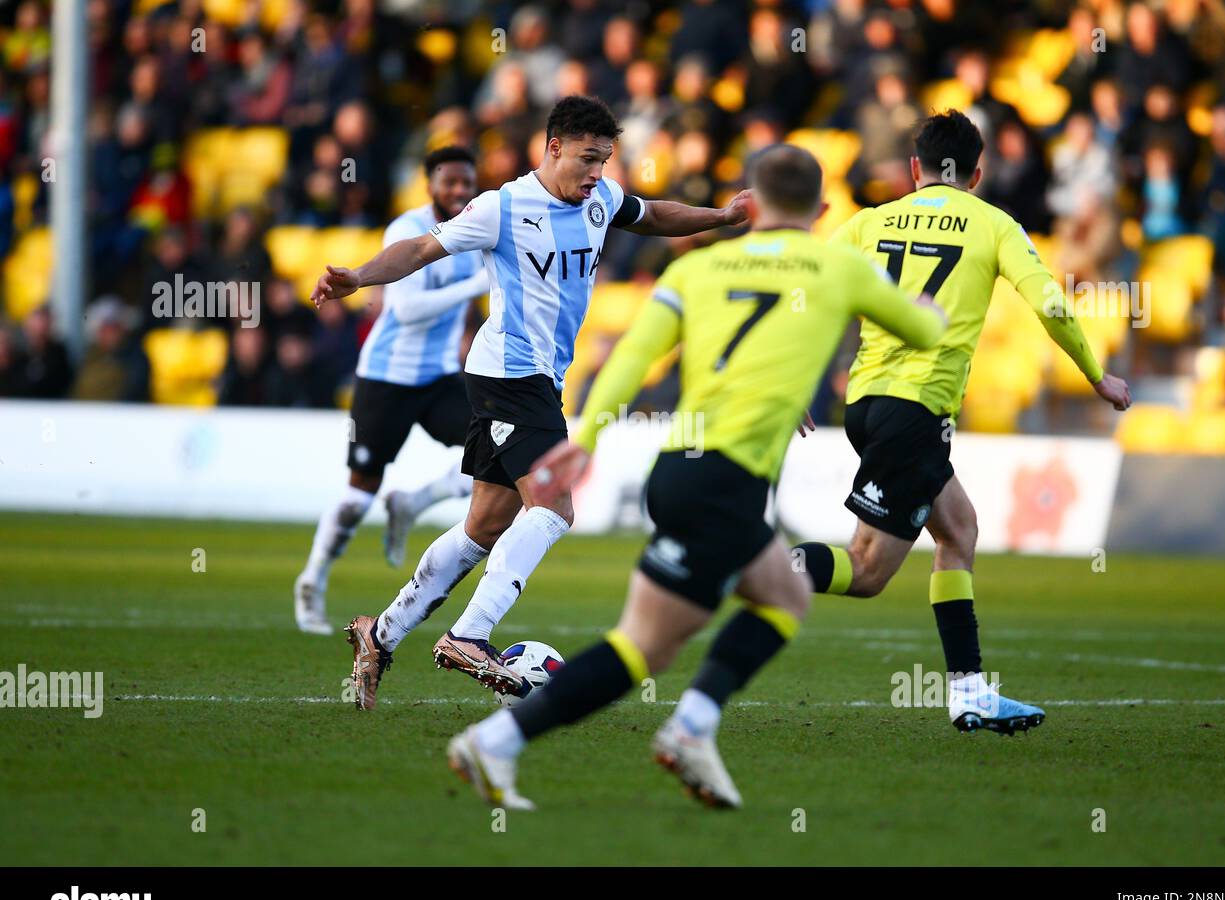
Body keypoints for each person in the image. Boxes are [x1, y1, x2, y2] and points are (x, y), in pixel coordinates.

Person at [444, 144, 946, 810]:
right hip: (728, 482)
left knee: (759, 602)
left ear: (752, 207)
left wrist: (587, 437)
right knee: (653, 643)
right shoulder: (838, 265)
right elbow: (922, 328)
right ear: (822, 210)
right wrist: (931, 310)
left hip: (677, 472)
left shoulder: (700, 268)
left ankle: (625, 731)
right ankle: (573, 736)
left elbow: (634, 354)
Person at [309, 95, 752, 709]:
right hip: (506, 374)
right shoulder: (502, 206)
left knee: (484, 526)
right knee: (556, 505)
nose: (597, 172)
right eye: (587, 159)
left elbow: (652, 215)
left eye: (605, 160)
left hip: (542, 379)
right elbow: (421, 249)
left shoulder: (600, 199)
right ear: (553, 149)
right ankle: (469, 634)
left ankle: (378, 634)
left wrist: (722, 217)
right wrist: (359, 277)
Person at [793, 110, 1131, 735]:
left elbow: (805, 292)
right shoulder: (995, 224)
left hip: (868, 406)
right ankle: (748, 565)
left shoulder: (868, 222)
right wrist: (1096, 376)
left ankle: (970, 693)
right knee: (866, 572)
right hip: (916, 409)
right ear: (976, 174)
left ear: (915, 169)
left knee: (959, 531)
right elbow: (1052, 303)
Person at [293, 147, 489, 634]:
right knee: (359, 495)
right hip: (386, 376)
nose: (461, 191)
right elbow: (406, 311)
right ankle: (312, 580)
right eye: (450, 182)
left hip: (441, 375)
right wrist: (477, 284)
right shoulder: (406, 231)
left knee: (494, 456)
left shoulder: (478, 227)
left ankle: (413, 503)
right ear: (429, 185)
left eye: (468, 182)